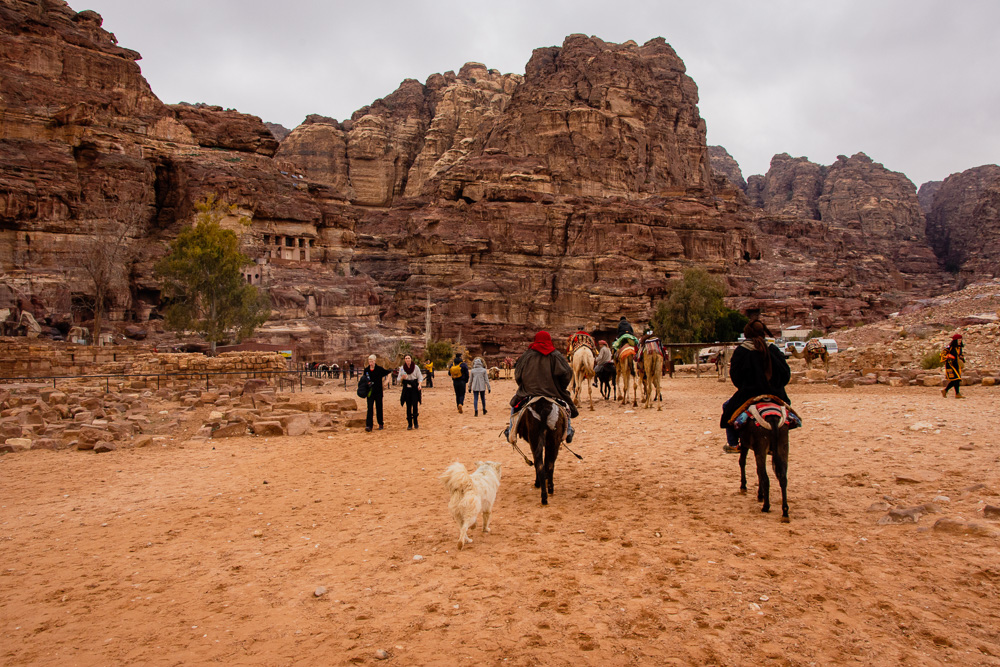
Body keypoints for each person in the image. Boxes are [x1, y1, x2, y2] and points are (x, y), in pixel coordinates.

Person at [720, 319, 791, 453]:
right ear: (763, 332)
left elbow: (735, 376)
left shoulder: (742, 350)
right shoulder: (773, 349)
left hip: (749, 394)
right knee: (788, 410)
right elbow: (785, 374)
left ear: (747, 333)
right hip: (776, 393)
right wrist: (776, 386)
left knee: (727, 408)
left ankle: (733, 444)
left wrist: (744, 387)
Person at [506, 331, 579, 443]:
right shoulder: (556, 355)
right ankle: (568, 431)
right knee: (566, 406)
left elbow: (518, 375)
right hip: (553, 391)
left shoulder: (527, 355)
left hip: (529, 391)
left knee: (515, 407)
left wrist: (524, 386)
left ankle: (511, 431)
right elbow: (567, 373)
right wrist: (560, 387)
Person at [362, 354, 391, 432]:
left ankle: (380, 423)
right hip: (370, 392)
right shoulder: (366, 370)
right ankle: (369, 425)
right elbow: (364, 379)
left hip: (378, 392)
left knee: (379, 408)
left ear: (375, 361)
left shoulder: (379, 369)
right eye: (369, 361)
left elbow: (389, 372)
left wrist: (387, 381)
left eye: (372, 361)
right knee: (370, 408)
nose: (370, 363)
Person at [398, 354, 424, 429]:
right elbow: (398, 380)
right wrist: (402, 378)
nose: (407, 360)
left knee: (415, 405)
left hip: (414, 388)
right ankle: (409, 424)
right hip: (407, 388)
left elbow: (420, 377)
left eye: (408, 358)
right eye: (406, 358)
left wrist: (419, 385)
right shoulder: (402, 368)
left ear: (411, 359)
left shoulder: (416, 367)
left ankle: (415, 422)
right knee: (408, 406)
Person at [941, 333, 965, 398]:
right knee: (957, 378)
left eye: (961, 340)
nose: (960, 342)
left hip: (957, 365)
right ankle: (956, 393)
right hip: (950, 365)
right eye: (959, 340)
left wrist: (961, 357)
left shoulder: (959, 348)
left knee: (956, 379)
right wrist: (948, 356)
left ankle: (947, 391)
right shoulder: (949, 347)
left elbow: (960, 355)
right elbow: (942, 354)